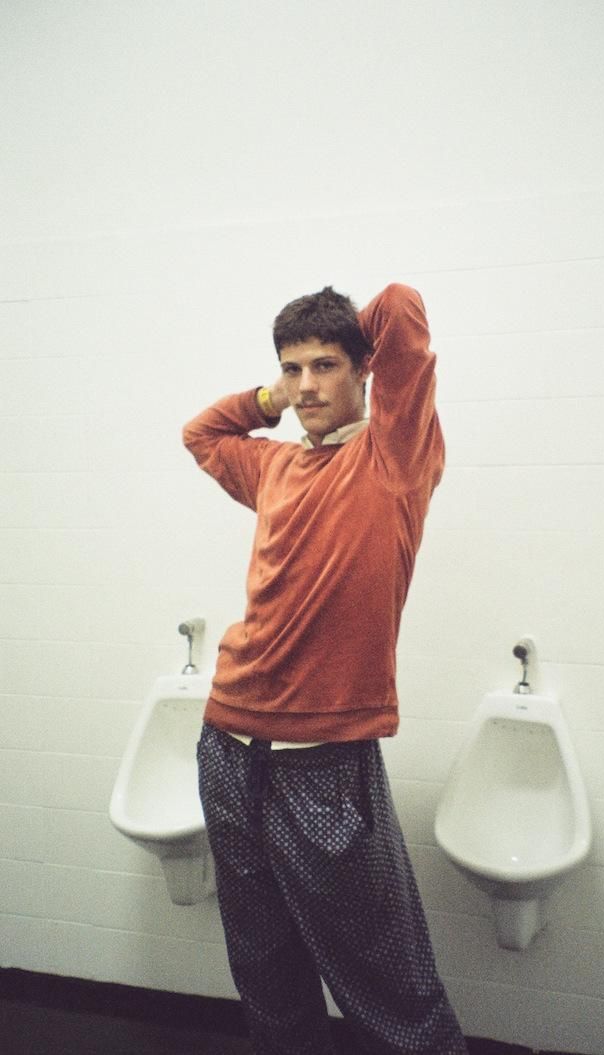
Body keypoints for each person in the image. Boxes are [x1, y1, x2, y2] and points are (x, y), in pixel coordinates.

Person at [183, 283, 465, 1055]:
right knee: (266, 970)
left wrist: (351, 337)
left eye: (325, 366)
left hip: (323, 763)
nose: (306, 385)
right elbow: (201, 433)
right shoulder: (275, 467)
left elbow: (400, 307)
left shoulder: (394, 457)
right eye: (292, 368)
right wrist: (273, 394)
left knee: (387, 984)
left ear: (363, 369)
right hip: (227, 745)